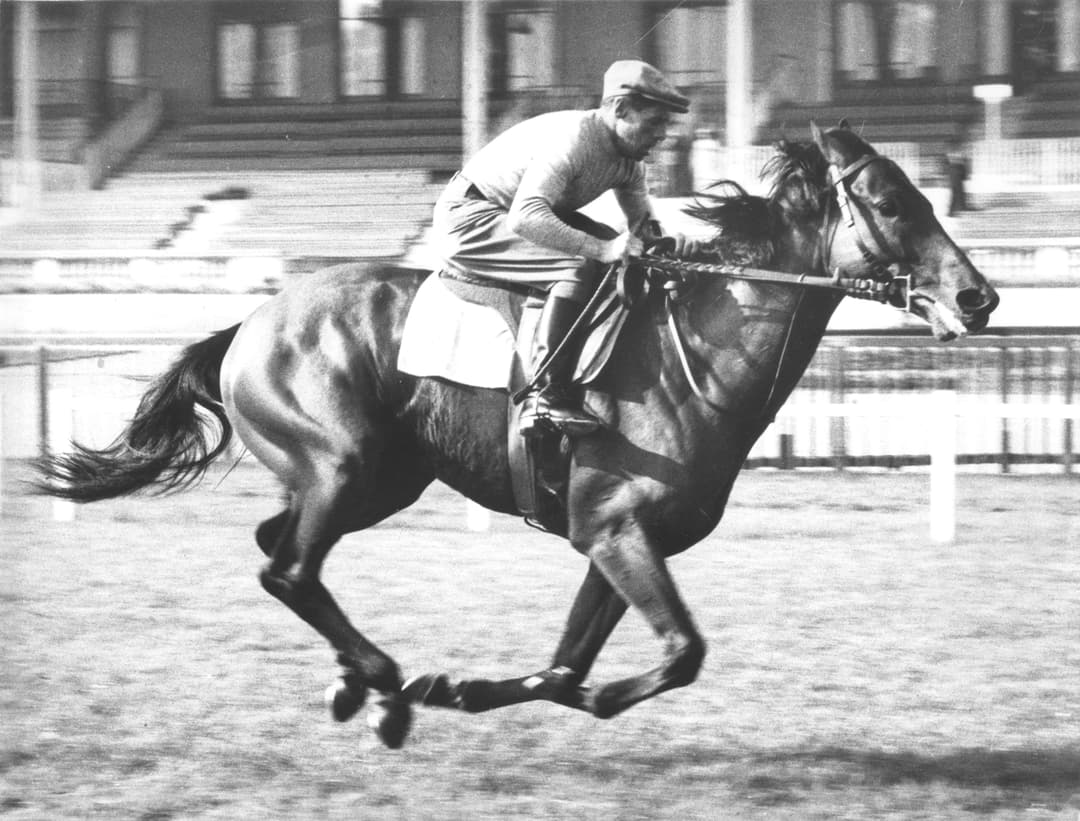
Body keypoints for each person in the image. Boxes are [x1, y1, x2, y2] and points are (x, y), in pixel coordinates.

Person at [432, 59, 697, 437]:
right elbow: (525, 217)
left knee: (614, 246)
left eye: (666, 125)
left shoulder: (629, 162)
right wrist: (602, 249)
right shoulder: (574, 139)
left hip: (511, 213)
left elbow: (644, 231)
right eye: (654, 122)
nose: (662, 135)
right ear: (620, 109)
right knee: (578, 264)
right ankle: (542, 397)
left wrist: (671, 245)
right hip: (468, 218)